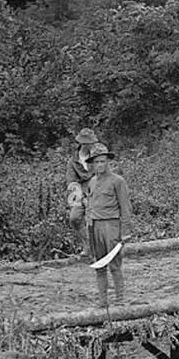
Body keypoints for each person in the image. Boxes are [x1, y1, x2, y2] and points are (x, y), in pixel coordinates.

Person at [83, 142, 131, 308]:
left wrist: (125, 231)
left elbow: (125, 207)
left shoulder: (118, 181)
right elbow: (89, 206)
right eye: (96, 162)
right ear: (92, 164)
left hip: (112, 226)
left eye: (102, 161)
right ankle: (103, 302)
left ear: (108, 162)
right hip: (95, 227)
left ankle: (120, 300)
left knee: (115, 265)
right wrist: (89, 228)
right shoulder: (92, 182)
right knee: (99, 265)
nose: (99, 165)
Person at [67, 127, 99, 261]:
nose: (91, 145)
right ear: (83, 144)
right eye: (88, 143)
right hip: (79, 192)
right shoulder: (73, 161)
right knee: (74, 218)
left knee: (94, 220)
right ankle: (87, 246)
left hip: (96, 189)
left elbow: (102, 174)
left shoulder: (97, 156)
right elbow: (71, 182)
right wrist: (81, 196)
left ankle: (97, 251)